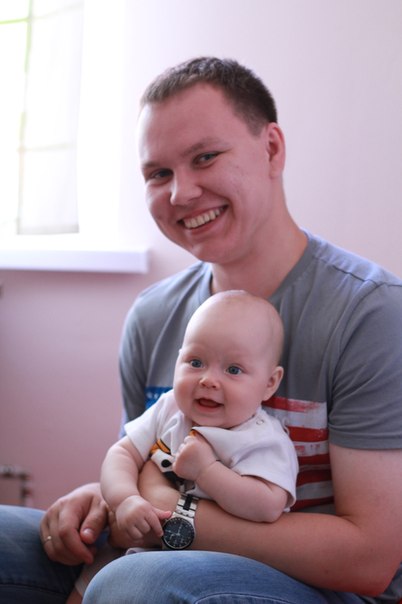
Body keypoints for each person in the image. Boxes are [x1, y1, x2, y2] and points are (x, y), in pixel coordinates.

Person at [1, 56, 402, 604]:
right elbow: (149, 465)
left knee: (136, 583)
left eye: (205, 157)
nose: (180, 193)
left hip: (326, 589)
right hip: (163, 548)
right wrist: (106, 498)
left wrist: (167, 514)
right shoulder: (154, 315)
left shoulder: (372, 315)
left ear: (272, 149)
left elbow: (370, 560)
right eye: (158, 174)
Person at [68, 290, 298, 602]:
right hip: (133, 545)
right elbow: (122, 453)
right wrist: (125, 500)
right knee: (85, 589)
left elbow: (268, 505)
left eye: (233, 370)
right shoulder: (169, 408)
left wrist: (207, 471)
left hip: (211, 563)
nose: (208, 380)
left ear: (270, 383)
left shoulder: (263, 439)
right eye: (195, 362)